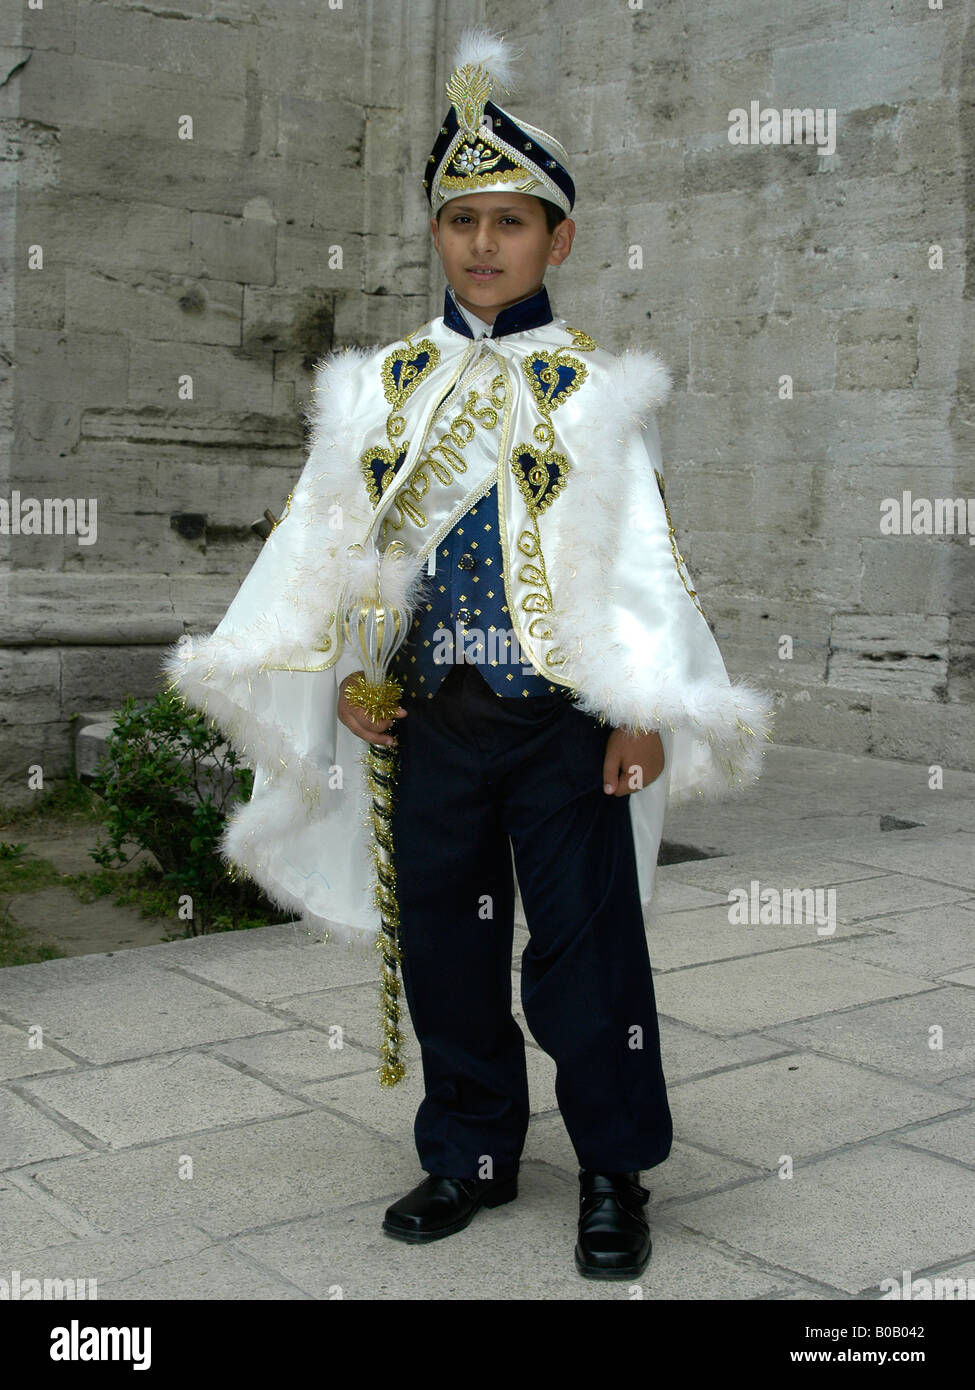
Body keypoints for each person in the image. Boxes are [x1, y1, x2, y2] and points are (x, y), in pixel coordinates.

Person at [163, 26, 771, 1282]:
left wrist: (642, 707)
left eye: (511, 220)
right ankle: (471, 1154)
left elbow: (639, 559)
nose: (483, 244)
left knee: (588, 952)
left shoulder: (599, 388)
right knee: (442, 940)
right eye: (460, 221)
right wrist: (342, 675)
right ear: (436, 238)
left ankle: (614, 1166)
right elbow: (326, 547)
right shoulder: (381, 388)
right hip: (432, 715)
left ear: (560, 239)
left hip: (562, 720)